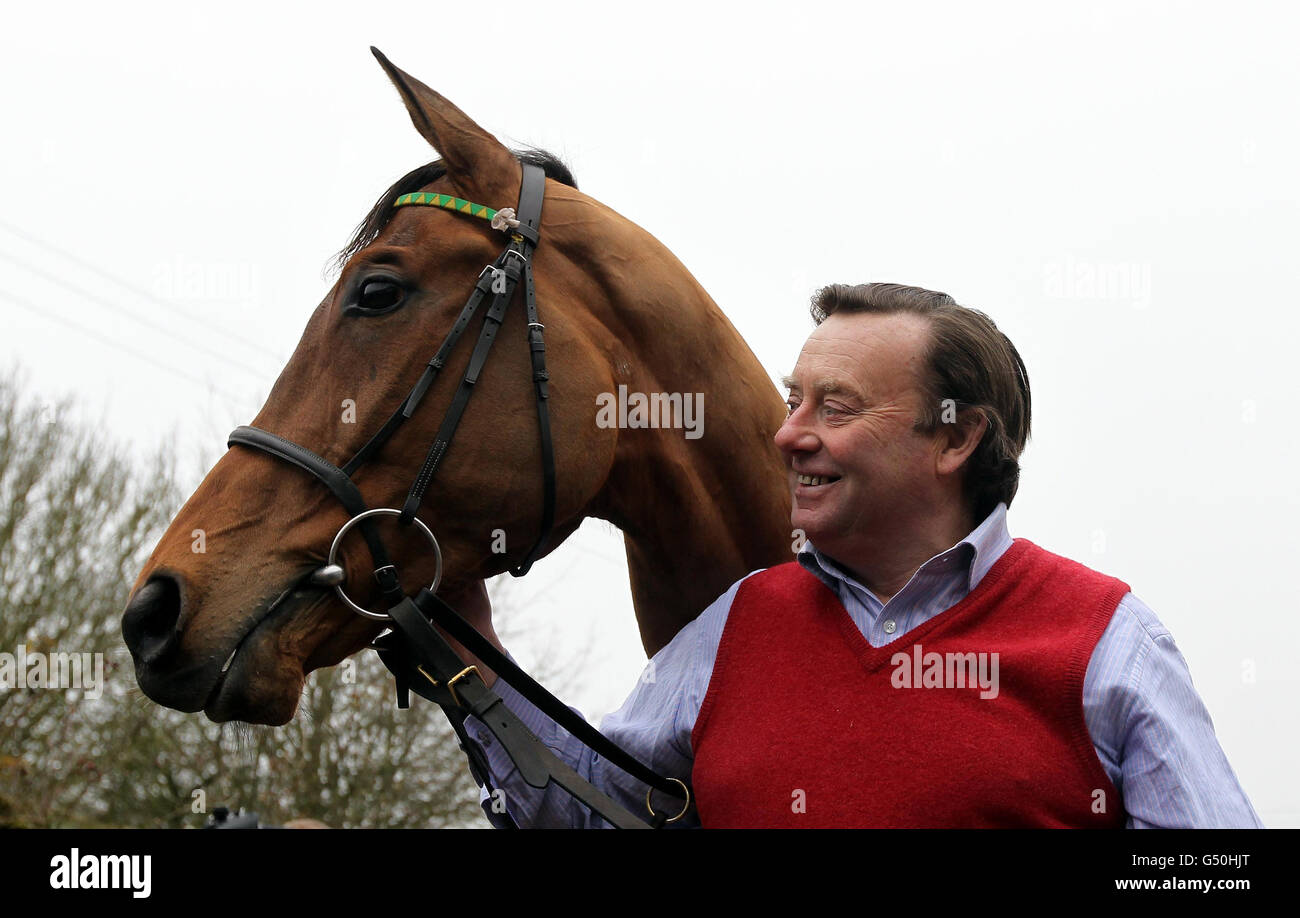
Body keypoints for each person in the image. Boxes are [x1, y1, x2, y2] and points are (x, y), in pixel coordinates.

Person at [450, 282, 1263, 828]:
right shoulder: (738, 623)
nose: (788, 434)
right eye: (792, 399)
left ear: (954, 436)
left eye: (834, 408)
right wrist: (462, 638)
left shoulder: (1109, 640)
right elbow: (584, 807)